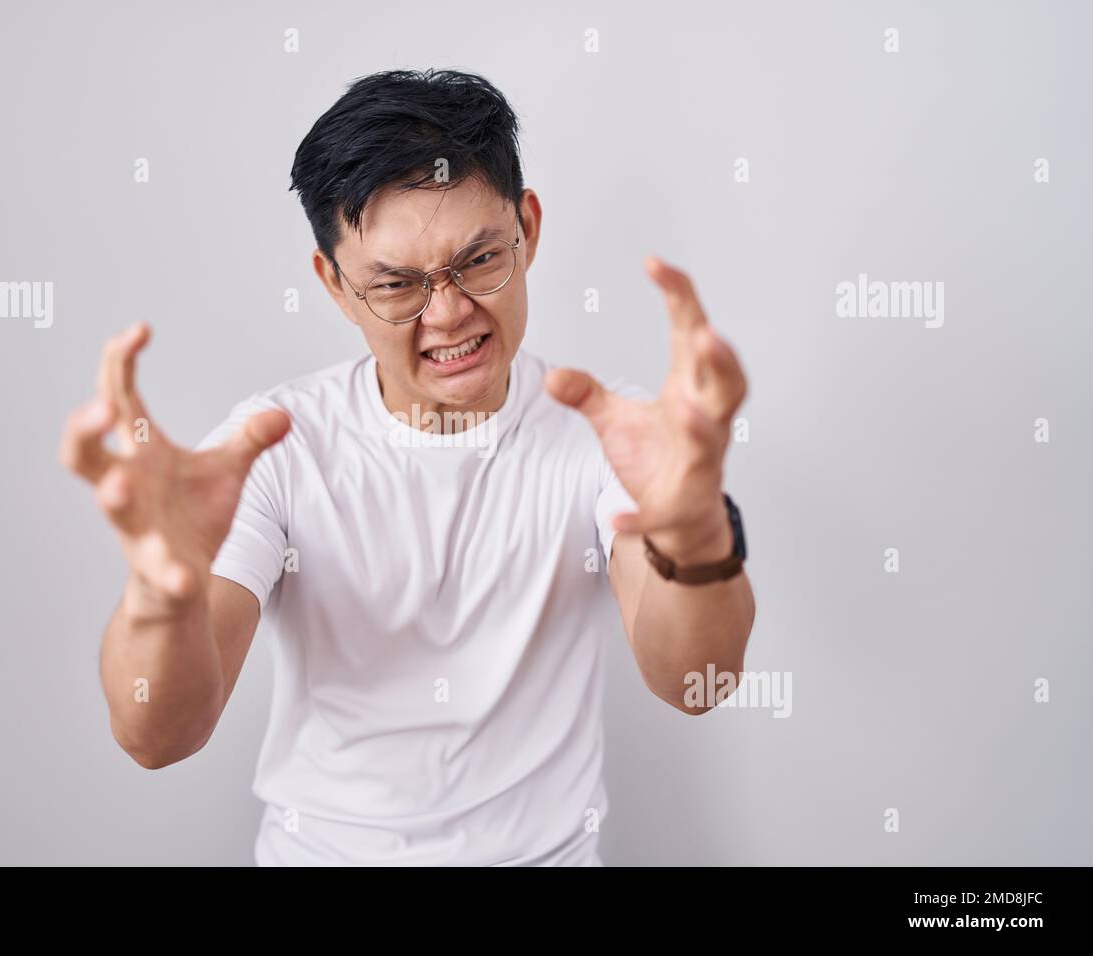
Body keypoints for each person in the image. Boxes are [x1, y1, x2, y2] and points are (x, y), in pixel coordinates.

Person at [60, 69, 755, 866]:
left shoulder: (611, 434)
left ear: (527, 228)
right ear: (335, 286)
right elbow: (156, 737)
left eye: (480, 259)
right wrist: (160, 597)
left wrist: (698, 532)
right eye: (397, 285)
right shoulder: (272, 448)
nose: (450, 311)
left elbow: (696, 682)